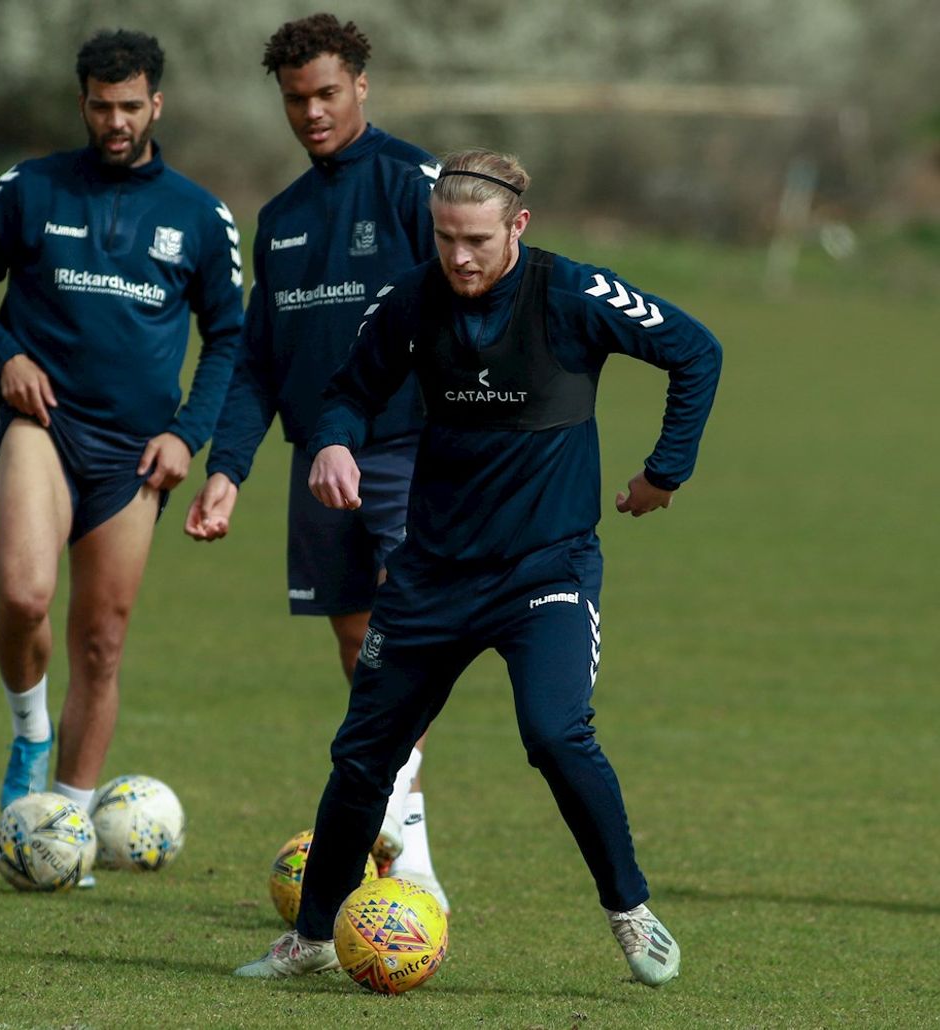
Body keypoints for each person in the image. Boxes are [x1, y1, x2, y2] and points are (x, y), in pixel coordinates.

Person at [235, 149, 722, 986]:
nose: (458, 256)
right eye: (445, 237)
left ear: (518, 227)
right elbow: (347, 389)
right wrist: (336, 442)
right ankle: (312, 937)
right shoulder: (411, 300)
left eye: (476, 239)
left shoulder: (570, 294)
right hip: (431, 576)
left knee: (556, 734)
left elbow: (696, 350)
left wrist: (664, 472)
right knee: (362, 757)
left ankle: (630, 912)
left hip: (547, 570)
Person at [0, 30, 244, 847]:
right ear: (82, 104)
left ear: (158, 104)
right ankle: (30, 727)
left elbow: (229, 337)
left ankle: (66, 822)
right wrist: (5, 357)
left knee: (102, 642)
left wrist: (190, 435)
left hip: (137, 452)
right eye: (102, 107)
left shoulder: (199, 215)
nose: (117, 122)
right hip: (43, 426)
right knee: (24, 598)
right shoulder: (31, 188)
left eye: (131, 107)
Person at [184, 13, 448, 908]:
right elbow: (260, 360)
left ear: (362, 86)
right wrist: (229, 468)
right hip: (316, 460)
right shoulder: (284, 217)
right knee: (355, 640)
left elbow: (478, 305)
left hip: (414, 447)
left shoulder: (416, 184)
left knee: (403, 638)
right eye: (296, 99)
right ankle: (390, 814)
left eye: (328, 93)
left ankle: (405, 845)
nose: (312, 112)